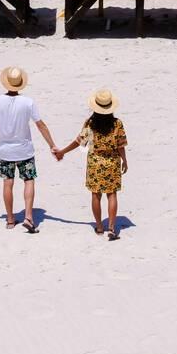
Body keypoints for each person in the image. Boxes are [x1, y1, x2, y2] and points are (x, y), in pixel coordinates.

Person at [0, 65, 59, 233]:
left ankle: (9, 219)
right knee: (28, 180)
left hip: (4, 151)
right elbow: (40, 125)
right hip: (25, 150)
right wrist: (51, 144)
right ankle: (29, 217)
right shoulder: (28, 102)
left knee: (8, 183)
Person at [55, 88, 128, 240]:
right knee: (112, 194)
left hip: (95, 162)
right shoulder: (117, 123)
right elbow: (120, 145)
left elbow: (79, 142)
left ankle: (99, 227)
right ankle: (112, 228)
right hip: (112, 162)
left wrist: (62, 152)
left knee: (96, 195)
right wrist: (125, 160)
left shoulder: (91, 123)